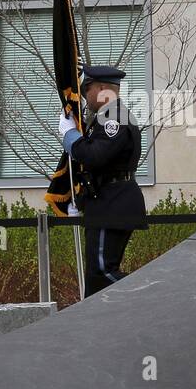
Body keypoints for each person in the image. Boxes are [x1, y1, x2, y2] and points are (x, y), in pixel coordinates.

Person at [59, 64, 147, 297]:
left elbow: (95, 155)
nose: (85, 97)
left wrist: (71, 137)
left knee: (101, 274)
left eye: (87, 90)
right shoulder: (107, 116)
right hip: (106, 201)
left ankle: (150, 296)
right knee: (98, 277)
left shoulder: (114, 118)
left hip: (113, 203)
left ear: (100, 89)